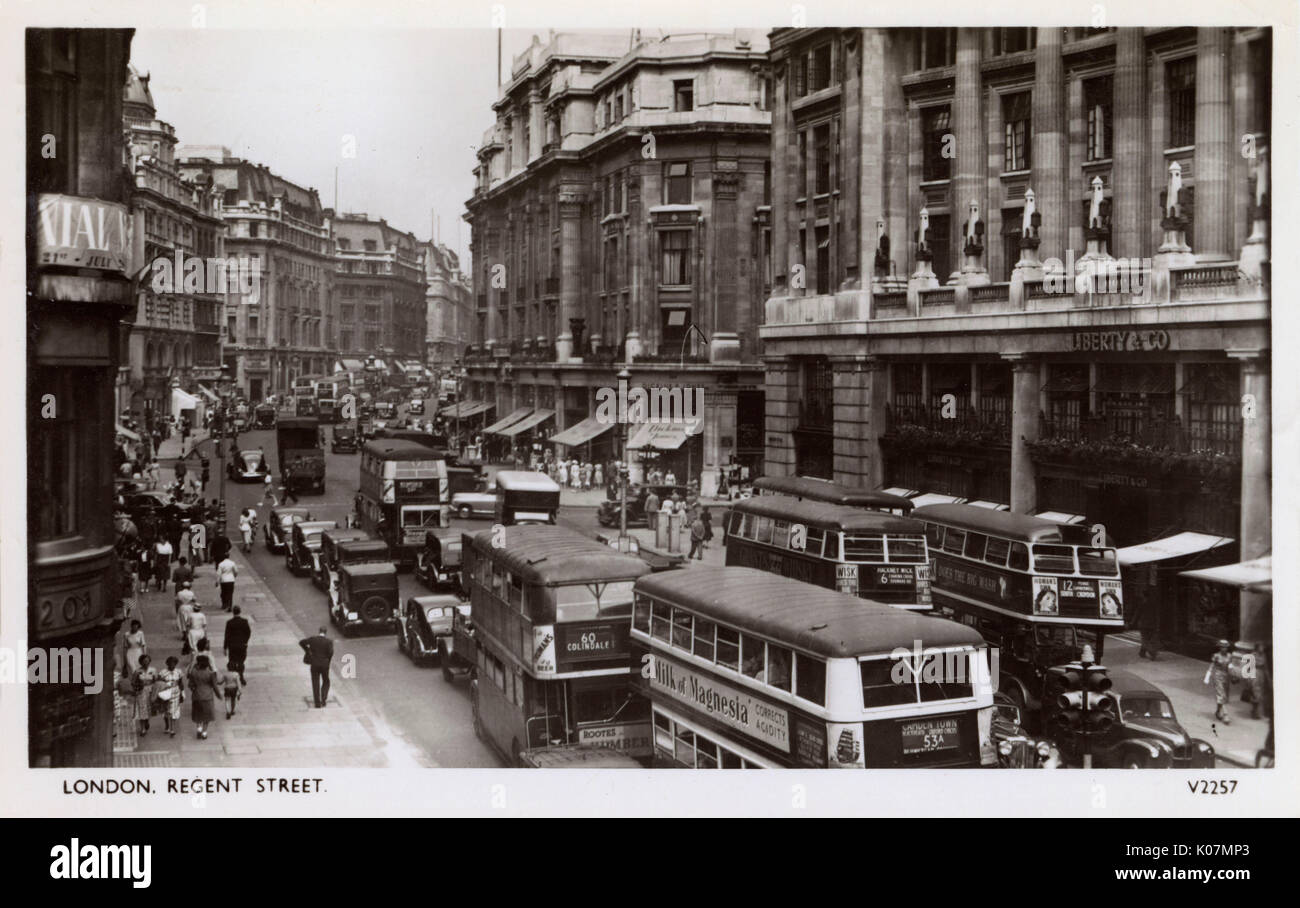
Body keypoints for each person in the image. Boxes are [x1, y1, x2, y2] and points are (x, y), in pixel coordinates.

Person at [186, 654, 221, 739]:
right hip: (207, 697)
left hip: (196, 696)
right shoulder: (210, 673)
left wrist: (194, 690)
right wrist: (219, 695)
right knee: (207, 715)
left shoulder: (193, 672)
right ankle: (204, 732)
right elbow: (215, 685)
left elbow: (190, 684)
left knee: (198, 714)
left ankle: (199, 728)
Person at [299, 627, 335, 708]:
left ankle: (317, 703)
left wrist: (307, 650)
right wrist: (327, 660)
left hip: (314, 664)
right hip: (324, 664)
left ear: (319, 632)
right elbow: (331, 653)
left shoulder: (313, 639)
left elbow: (301, 642)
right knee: (326, 681)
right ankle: (323, 699)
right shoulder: (329, 642)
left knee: (315, 682)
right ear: (325, 632)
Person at [1206, 639, 1233, 724]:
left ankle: (1218, 711)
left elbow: (1230, 666)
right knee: (1221, 694)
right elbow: (1212, 666)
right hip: (1218, 676)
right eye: (1222, 647)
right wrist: (1207, 675)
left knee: (1224, 695)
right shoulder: (1216, 656)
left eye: (1225, 647)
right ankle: (1225, 714)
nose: (1224, 649)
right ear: (1220, 648)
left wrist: (1233, 675)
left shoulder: (1229, 656)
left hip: (1226, 676)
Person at [155, 656, 184, 737]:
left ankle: (172, 729)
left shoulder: (178, 672)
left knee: (174, 711)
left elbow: (181, 683)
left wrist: (182, 693)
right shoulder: (162, 672)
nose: (172, 665)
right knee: (166, 711)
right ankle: (167, 725)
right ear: (167, 664)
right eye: (170, 663)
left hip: (176, 693)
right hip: (166, 693)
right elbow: (159, 684)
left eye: (174, 664)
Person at [131, 654, 158, 737]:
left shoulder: (153, 670)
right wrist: (137, 689)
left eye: (147, 661)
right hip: (141, 692)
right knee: (142, 709)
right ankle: (142, 728)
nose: (146, 663)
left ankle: (147, 721)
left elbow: (156, 681)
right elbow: (133, 682)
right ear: (141, 662)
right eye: (144, 661)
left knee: (149, 708)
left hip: (150, 691)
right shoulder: (137, 671)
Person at [223, 605, 252, 686]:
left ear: (233, 612)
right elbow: (248, 632)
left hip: (232, 646)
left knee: (232, 661)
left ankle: (234, 676)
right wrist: (245, 641)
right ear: (240, 612)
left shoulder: (229, 623)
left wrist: (225, 647)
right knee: (241, 661)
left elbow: (227, 636)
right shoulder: (244, 621)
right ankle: (241, 676)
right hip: (242, 645)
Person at [1250, 643, 1270, 720]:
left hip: (1261, 675)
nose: (1262, 648)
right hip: (1254, 673)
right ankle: (1255, 711)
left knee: (1260, 693)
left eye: (1263, 647)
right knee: (1256, 693)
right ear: (1257, 647)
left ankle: (1254, 710)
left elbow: (1266, 667)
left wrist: (1268, 678)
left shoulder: (1264, 655)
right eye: (1261, 646)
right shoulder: (1253, 655)